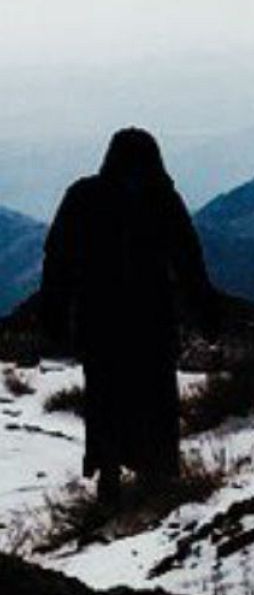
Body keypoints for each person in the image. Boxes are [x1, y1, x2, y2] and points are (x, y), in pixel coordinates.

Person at [39, 128, 220, 503]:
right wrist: (206, 314)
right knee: (153, 397)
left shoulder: (84, 196)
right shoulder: (163, 200)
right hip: (151, 319)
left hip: (99, 318)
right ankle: (154, 479)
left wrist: (53, 313)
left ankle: (110, 473)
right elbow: (189, 262)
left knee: (106, 396)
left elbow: (58, 259)